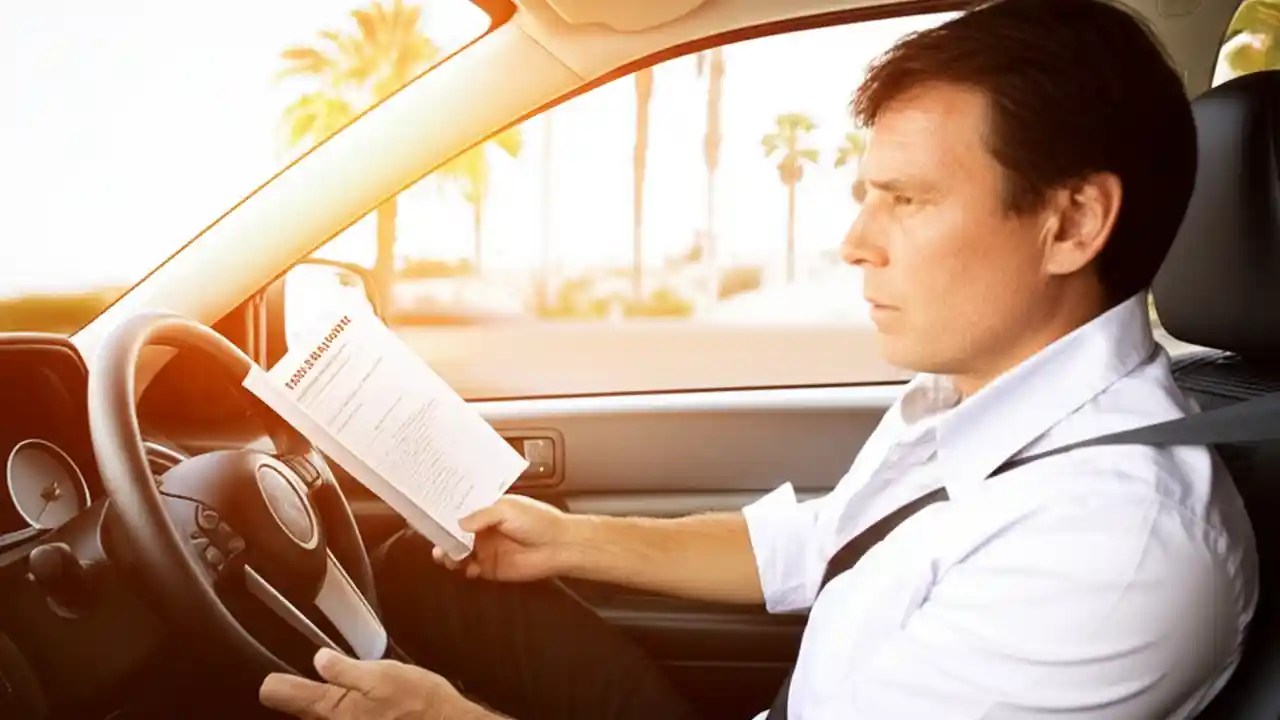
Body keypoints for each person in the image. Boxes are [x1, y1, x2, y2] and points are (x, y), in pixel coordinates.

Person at [259, 0, 1259, 717]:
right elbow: (823, 540)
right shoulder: (977, 395)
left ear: (1070, 221)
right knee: (423, 574)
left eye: (906, 200)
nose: (854, 240)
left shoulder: (1112, 551)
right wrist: (566, 542)